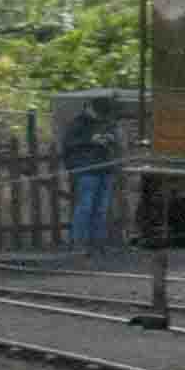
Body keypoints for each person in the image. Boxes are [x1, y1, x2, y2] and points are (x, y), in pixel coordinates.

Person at [59, 99, 120, 255]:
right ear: (88, 108)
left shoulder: (106, 122)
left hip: (105, 168)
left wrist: (111, 139)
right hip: (86, 169)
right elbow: (68, 144)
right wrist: (90, 140)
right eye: (98, 113)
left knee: (101, 209)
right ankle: (79, 242)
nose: (100, 116)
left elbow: (116, 142)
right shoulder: (77, 124)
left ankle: (98, 243)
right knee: (85, 207)